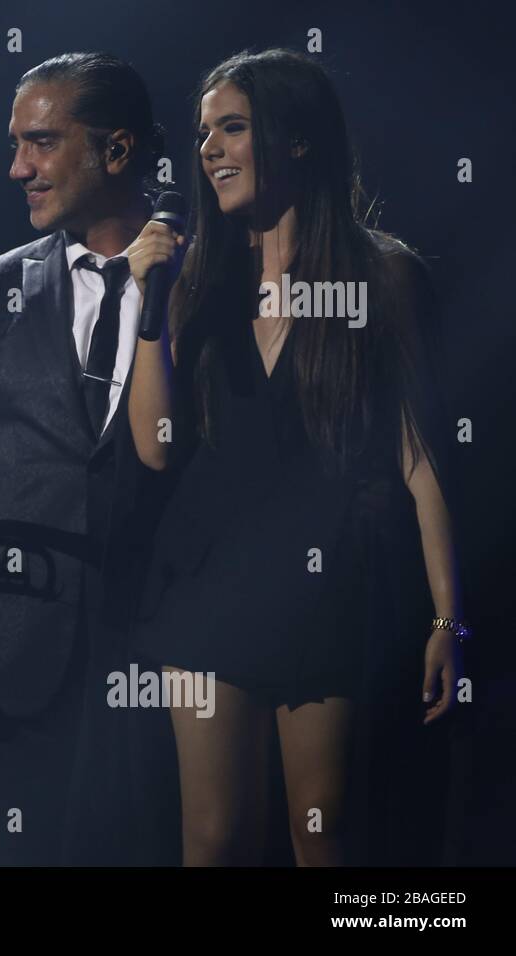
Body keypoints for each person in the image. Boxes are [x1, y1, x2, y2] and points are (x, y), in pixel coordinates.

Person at [125, 49, 467, 866]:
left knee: (322, 830)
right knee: (211, 841)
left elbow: (423, 462)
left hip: (327, 585)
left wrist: (450, 621)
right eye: (204, 131)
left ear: (298, 140)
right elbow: (154, 446)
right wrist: (149, 309)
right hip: (209, 583)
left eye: (232, 127)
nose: (208, 148)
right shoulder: (199, 278)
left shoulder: (381, 275)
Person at [0, 52, 180, 865]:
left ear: (116, 151)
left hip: (172, 657)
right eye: (17, 144)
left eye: (41, 143)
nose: (17, 168)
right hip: (9, 660)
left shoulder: (206, 280)